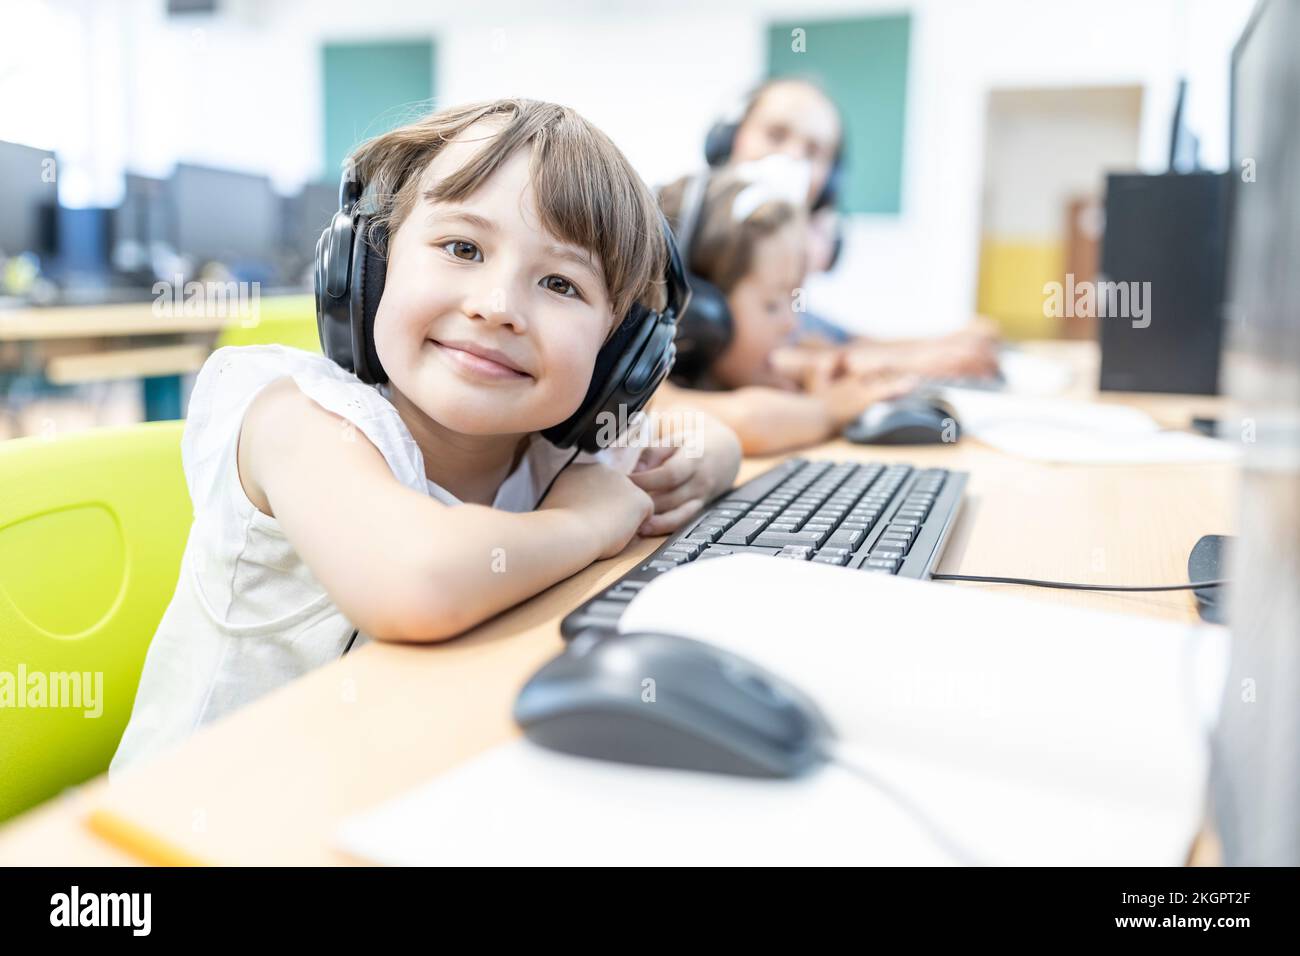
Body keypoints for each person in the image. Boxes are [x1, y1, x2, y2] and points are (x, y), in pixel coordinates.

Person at [110, 99, 741, 774]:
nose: (497, 307)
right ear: (366, 266)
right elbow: (417, 580)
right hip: (202, 820)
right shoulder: (296, 417)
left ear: (621, 359)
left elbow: (709, 435)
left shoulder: (557, 446)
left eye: (560, 284)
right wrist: (588, 522)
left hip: (387, 780)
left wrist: (704, 462)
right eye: (462, 248)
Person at [711, 76, 999, 379]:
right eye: (775, 134)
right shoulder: (692, 230)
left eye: (813, 151)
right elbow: (736, 359)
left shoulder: (780, 263)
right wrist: (904, 364)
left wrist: (943, 343)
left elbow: (827, 339)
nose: (793, 157)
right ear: (731, 139)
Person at [653, 162, 917, 455]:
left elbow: (795, 363)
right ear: (700, 312)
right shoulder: (639, 386)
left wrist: (813, 372)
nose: (791, 324)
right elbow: (745, 423)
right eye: (772, 305)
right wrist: (829, 409)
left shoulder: (727, 368)